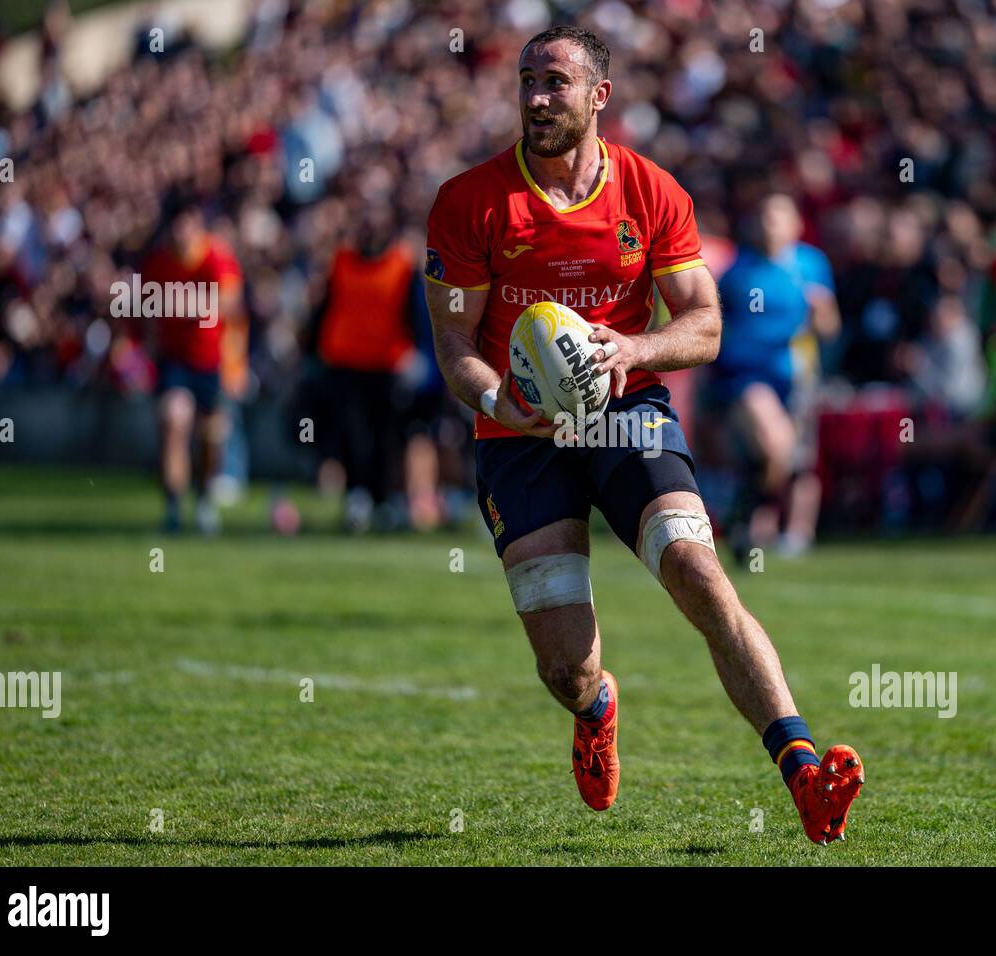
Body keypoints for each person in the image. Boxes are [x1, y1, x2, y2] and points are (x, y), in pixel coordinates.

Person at [423, 27, 863, 845]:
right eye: (527, 81)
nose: (536, 97)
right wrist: (504, 401)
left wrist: (633, 348)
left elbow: (703, 325)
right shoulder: (470, 201)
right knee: (566, 666)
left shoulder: (651, 191)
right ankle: (596, 707)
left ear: (600, 96)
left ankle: (802, 768)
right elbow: (455, 346)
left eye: (555, 82)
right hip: (517, 436)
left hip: (626, 411)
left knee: (699, 573)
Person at [706, 193, 839, 558]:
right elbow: (716, 326)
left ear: (796, 224)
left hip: (796, 377)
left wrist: (822, 314)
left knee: (785, 461)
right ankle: (747, 517)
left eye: (778, 217)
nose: (769, 225)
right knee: (775, 443)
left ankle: (744, 518)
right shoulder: (737, 271)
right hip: (747, 376)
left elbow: (829, 327)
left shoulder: (811, 264)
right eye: (763, 216)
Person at [311, 206, 419, 532]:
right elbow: (324, 308)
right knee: (351, 433)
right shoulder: (341, 261)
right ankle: (356, 495)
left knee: (386, 435)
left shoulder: (402, 264)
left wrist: (413, 355)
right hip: (345, 361)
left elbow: (413, 313)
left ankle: (384, 499)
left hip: (386, 363)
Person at [143, 202, 243, 534]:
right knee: (174, 418)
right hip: (175, 362)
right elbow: (149, 313)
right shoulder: (158, 262)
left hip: (211, 362)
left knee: (211, 436)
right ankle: (173, 505)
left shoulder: (216, 257)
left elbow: (229, 304)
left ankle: (204, 498)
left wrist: (190, 304)